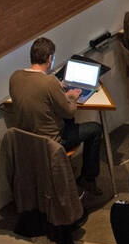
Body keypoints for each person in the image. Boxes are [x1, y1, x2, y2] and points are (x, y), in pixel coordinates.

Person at [8, 37, 105, 200]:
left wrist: (58, 93)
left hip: (27, 140)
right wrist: (72, 97)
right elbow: (69, 112)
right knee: (95, 129)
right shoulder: (49, 82)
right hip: (52, 142)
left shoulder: (15, 77)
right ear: (49, 59)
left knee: (67, 122)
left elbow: (35, 99)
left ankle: (66, 170)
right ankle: (88, 179)